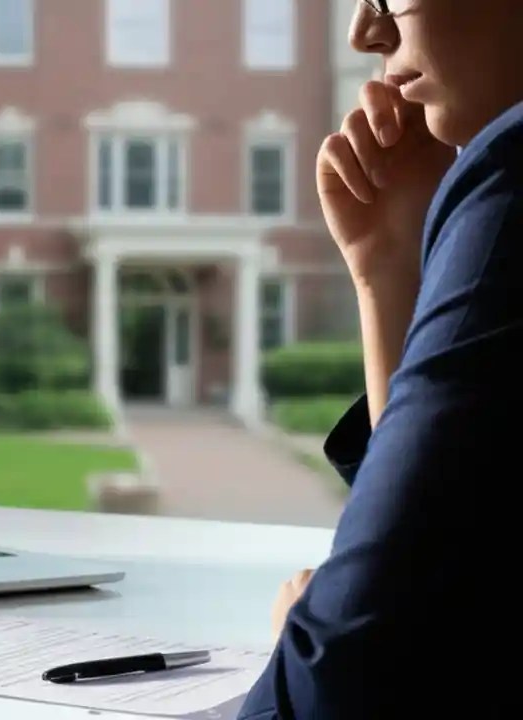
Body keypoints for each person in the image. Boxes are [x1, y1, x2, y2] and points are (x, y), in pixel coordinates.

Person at [237, 0, 523, 717]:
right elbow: (454, 561)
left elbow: (350, 671)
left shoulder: (513, 182)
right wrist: (390, 274)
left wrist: (293, 645)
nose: (365, 31)